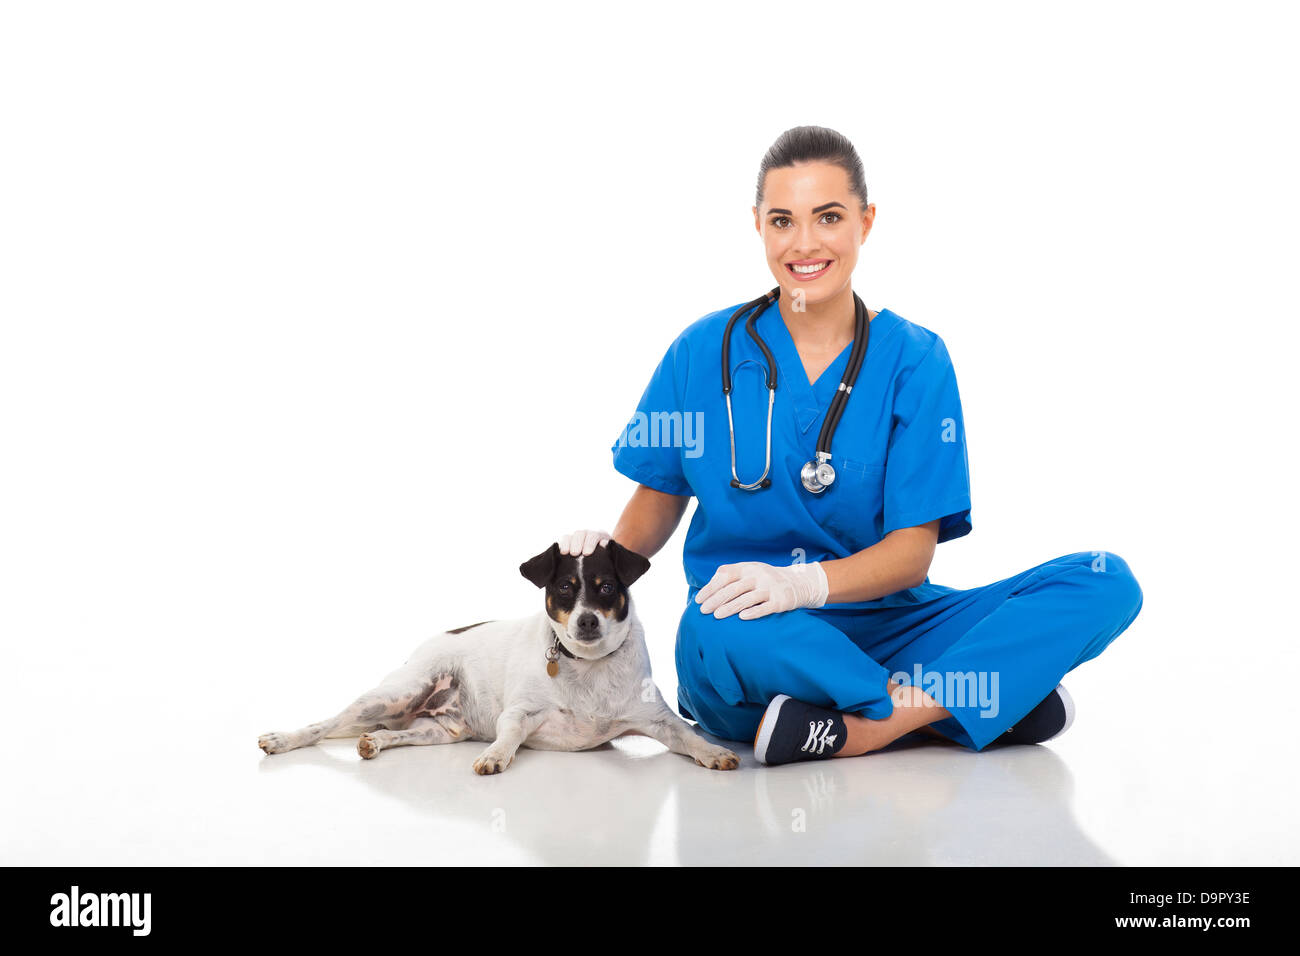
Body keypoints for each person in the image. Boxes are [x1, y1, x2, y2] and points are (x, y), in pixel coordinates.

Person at [561, 126, 1143, 766]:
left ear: (866, 222)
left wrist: (804, 584)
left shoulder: (916, 360)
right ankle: (965, 701)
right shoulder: (702, 352)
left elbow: (911, 558)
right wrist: (597, 560)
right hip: (752, 631)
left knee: (1106, 582)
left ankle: (871, 726)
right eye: (783, 220)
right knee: (713, 633)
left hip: (894, 624)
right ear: (757, 225)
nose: (804, 243)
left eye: (829, 217)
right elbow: (655, 507)